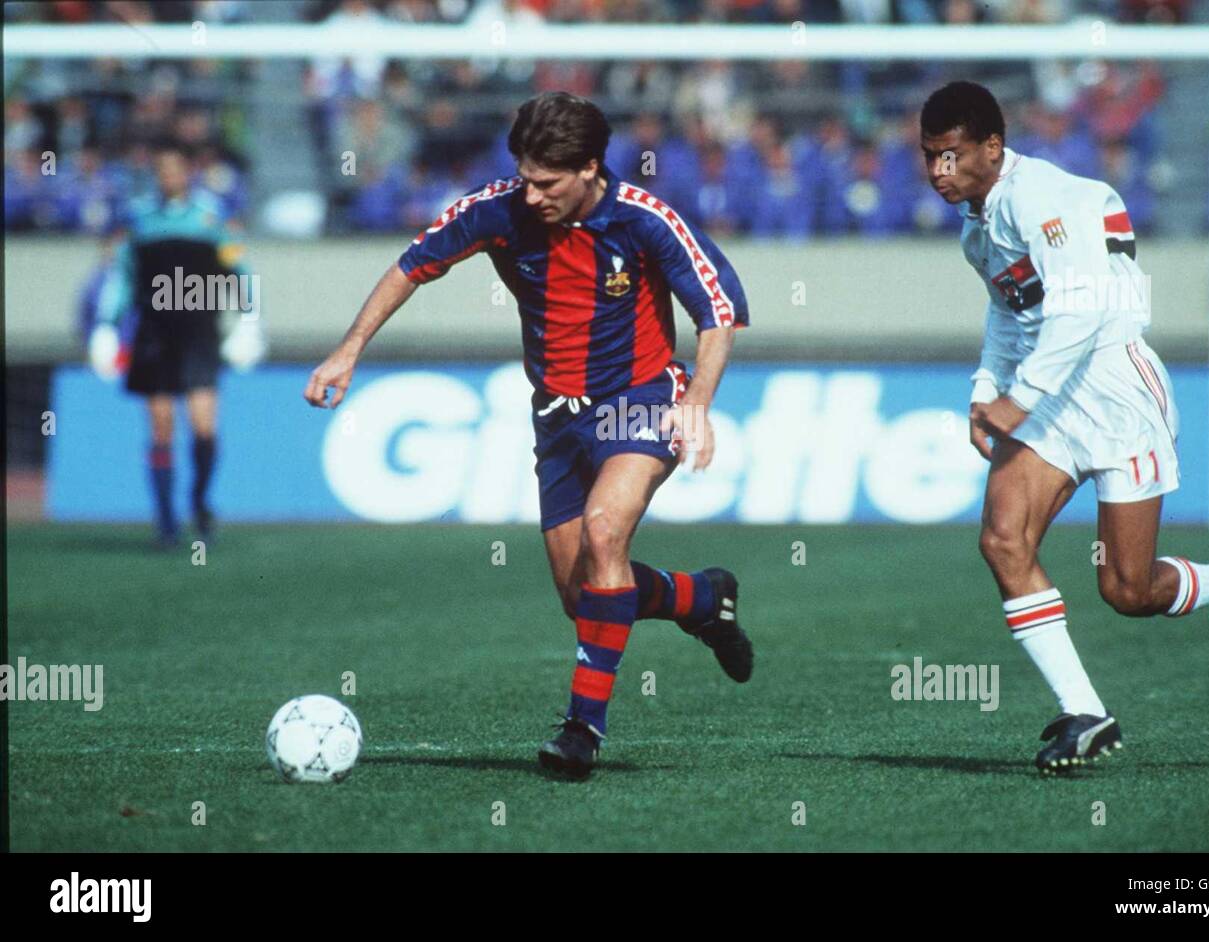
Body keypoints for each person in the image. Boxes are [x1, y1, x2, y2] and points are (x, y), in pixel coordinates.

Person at [304, 92, 754, 779]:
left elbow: (719, 311)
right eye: (526, 177)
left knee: (606, 532)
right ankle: (699, 596)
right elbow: (412, 265)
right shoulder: (499, 209)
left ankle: (581, 731)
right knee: (583, 596)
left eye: (548, 182)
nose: (534, 194)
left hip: (639, 398)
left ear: (591, 169)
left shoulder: (643, 220)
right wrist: (349, 349)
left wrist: (697, 401)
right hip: (554, 414)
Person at [918, 81, 1209, 774]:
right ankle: (1085, 712)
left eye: (951, 156)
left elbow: (1079, 313)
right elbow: (1008, 312)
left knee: (1128, 591)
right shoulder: (975, 227)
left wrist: (1016, 402)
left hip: (1112, 387)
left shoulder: (1038, 198)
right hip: (1050, 398)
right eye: (929, 157)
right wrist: (986, 388)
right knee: (1002, 538)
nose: (938, 172)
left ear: (992, 148)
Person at [91, 141, 264, 547]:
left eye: (175, 168)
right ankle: (166, 518)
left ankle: (200, 502)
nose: (168, 176)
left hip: (199, 328)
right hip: (155, 331)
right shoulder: (139, 219)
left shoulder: (212, 215)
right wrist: (107, 324)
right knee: (161, 426)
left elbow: (238, 267)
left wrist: (250, 318)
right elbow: (123, 276)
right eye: (161, 169)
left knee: (204, 425)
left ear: (188, 172)